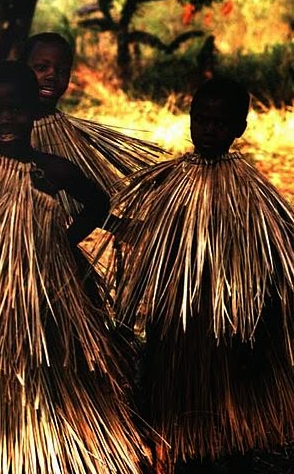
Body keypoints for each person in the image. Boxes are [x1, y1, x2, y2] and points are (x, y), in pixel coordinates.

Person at [0, 61, 148, 474]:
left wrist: (63, 240)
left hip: (48, 293)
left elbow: (97, 203)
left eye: (15, 108)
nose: (6, 119)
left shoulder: (54, 169)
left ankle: (55, 448)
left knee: (54, 364)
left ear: (33, 109)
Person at [110, 77, 294, 472]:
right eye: (201, 119)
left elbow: (272, 252)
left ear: (239, 129)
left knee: (225, 390)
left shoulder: (251, 191)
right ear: (190, 119)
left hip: (227, 316)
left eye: (220, 122)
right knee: (176, 385)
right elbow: (150, 235)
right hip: (177, 313)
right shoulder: (170, 181)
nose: (209, 129)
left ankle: (226, 443)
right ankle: (179, 444)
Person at [20, 32, 165, 215]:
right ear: (21, 68)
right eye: (41, 68)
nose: (52, 76)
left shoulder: (73, 140)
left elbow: (94, 205)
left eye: (62, 71)